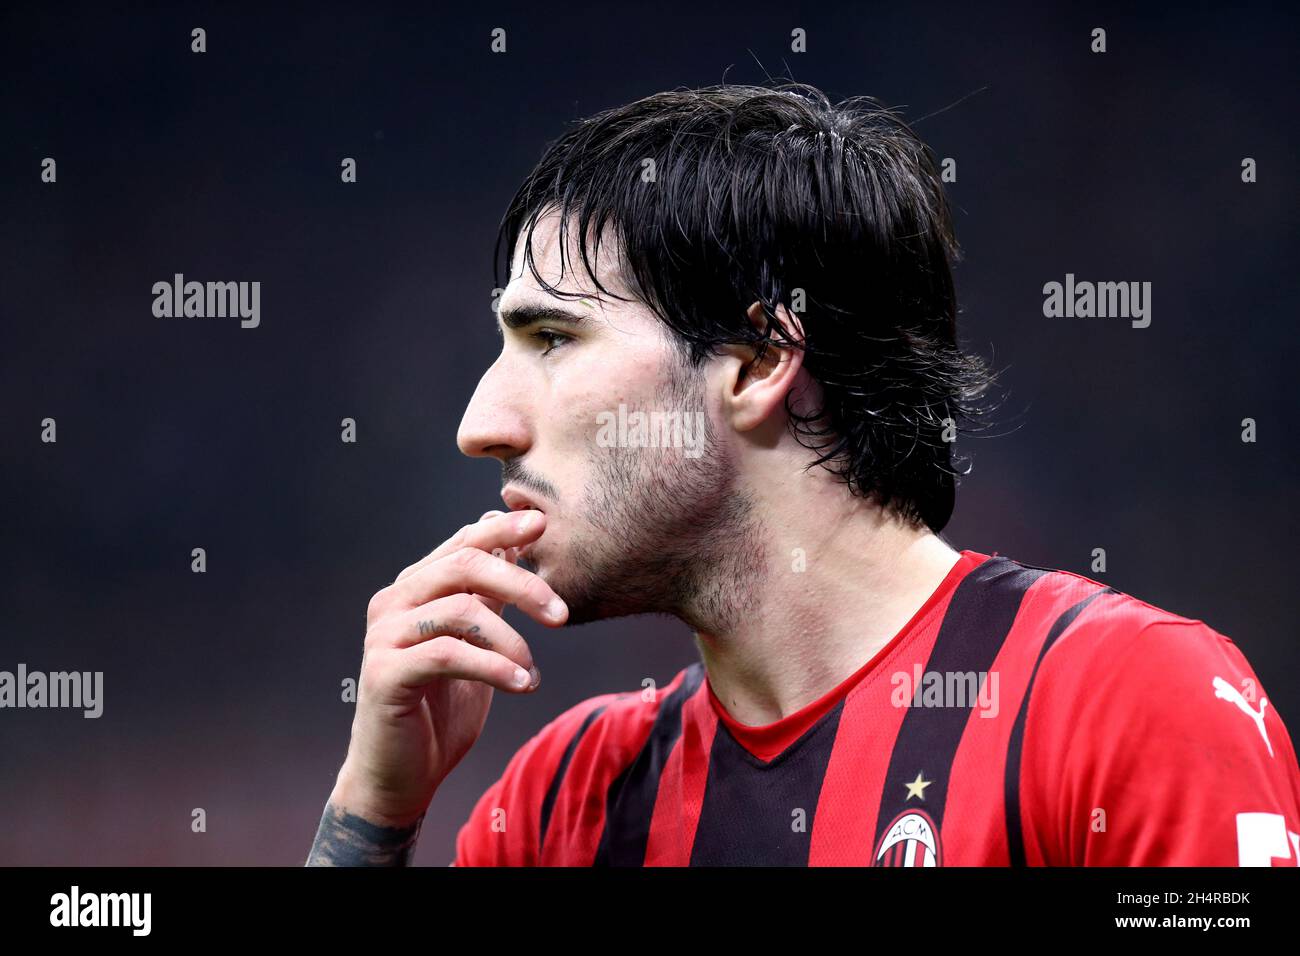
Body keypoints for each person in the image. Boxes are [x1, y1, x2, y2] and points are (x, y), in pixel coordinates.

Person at [307, 83, 1300, 867]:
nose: (479, 426)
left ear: (754, 362)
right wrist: (371, 814)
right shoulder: (567, 801)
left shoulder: (1125, 704)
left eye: (552, 335)